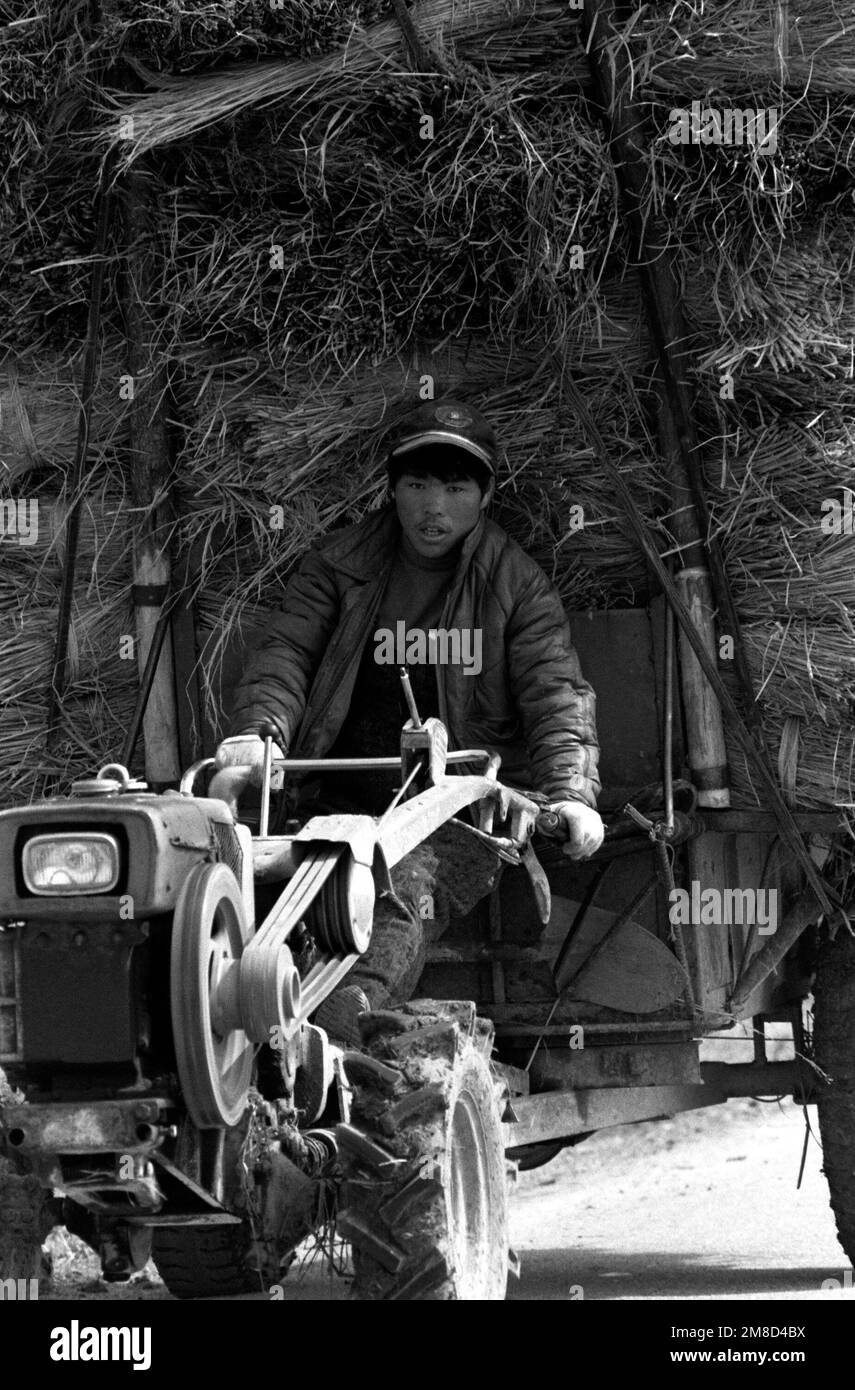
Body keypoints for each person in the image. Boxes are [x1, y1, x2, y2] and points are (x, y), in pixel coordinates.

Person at [214, 399, 604, 1044]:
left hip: (455, 811)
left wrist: (570, 793)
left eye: (455, 489)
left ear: (483, 497)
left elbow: (556, 691)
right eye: (418, 486)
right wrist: (260, 735)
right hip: (334, 793)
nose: (434, 508)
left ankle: (333, 1044)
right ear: (392, 490)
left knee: (394, 894)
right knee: (246, 881)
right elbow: (284, 654)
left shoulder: (516, 584)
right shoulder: (338, 566)